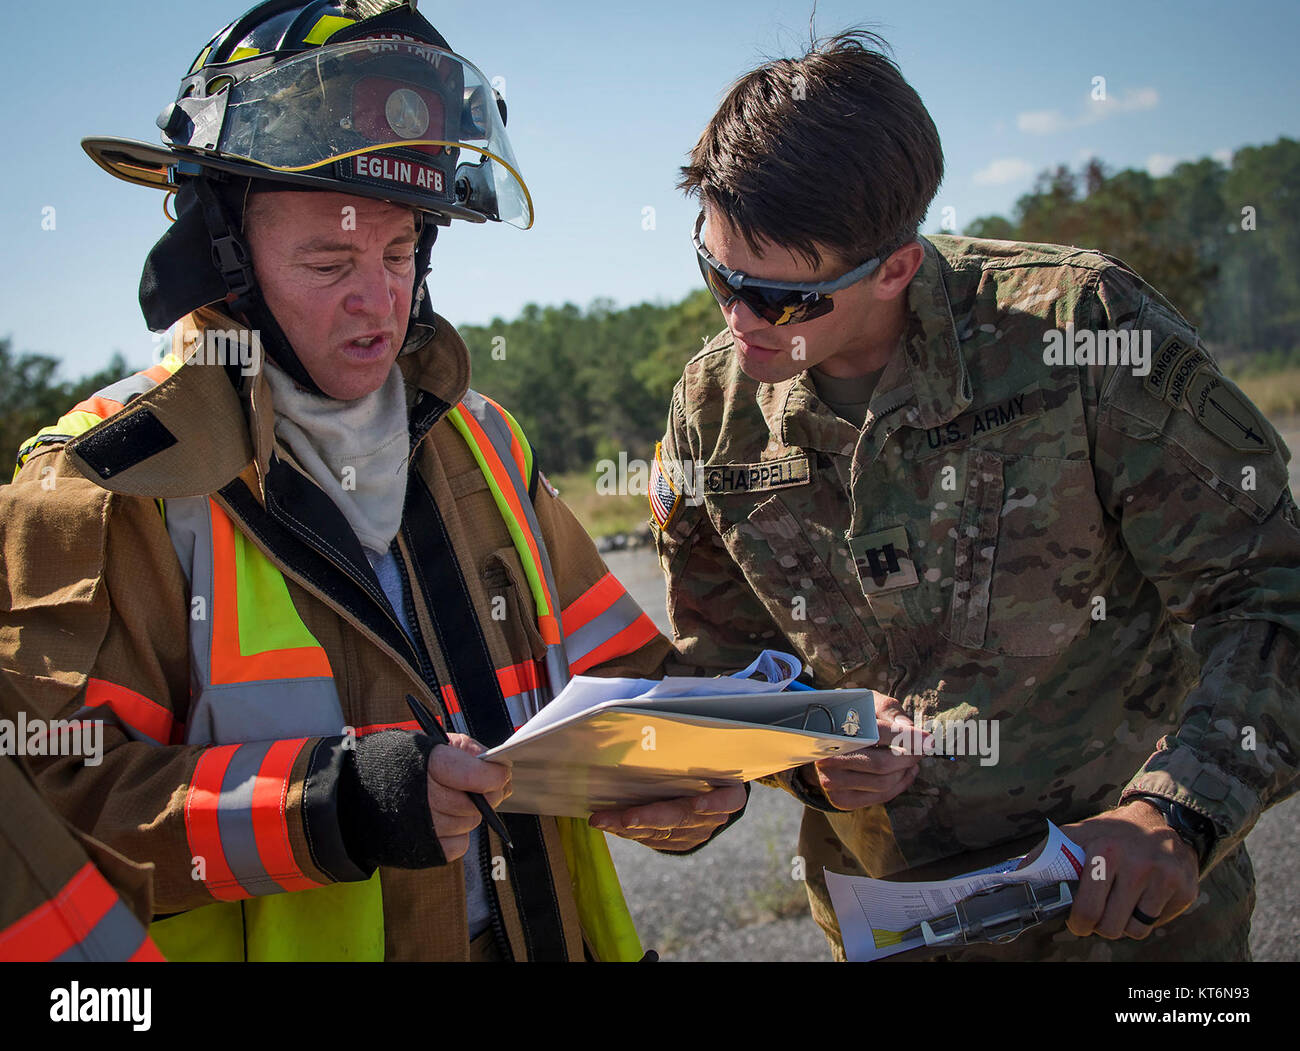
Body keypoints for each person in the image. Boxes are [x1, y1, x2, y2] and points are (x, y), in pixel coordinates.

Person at [0, 0, 746, 963]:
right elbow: (68, 811)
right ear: (224, 256)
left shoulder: (482, 442)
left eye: (401, 254)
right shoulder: (106, 486)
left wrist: (706, 768)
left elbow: (624, 687)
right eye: (327, 260)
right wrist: (337, 804)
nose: (378, 299)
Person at [650, 28, 1300, 960]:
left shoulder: (1081, 339)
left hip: (1131, 930)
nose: (738, 320)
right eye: (718, 275)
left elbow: (1271, 595)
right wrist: (809, 751)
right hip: (894, 929)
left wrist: (1178, 809)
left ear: (896, 268)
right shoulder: (713, 415)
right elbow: (723, 662)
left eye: (784, 301)